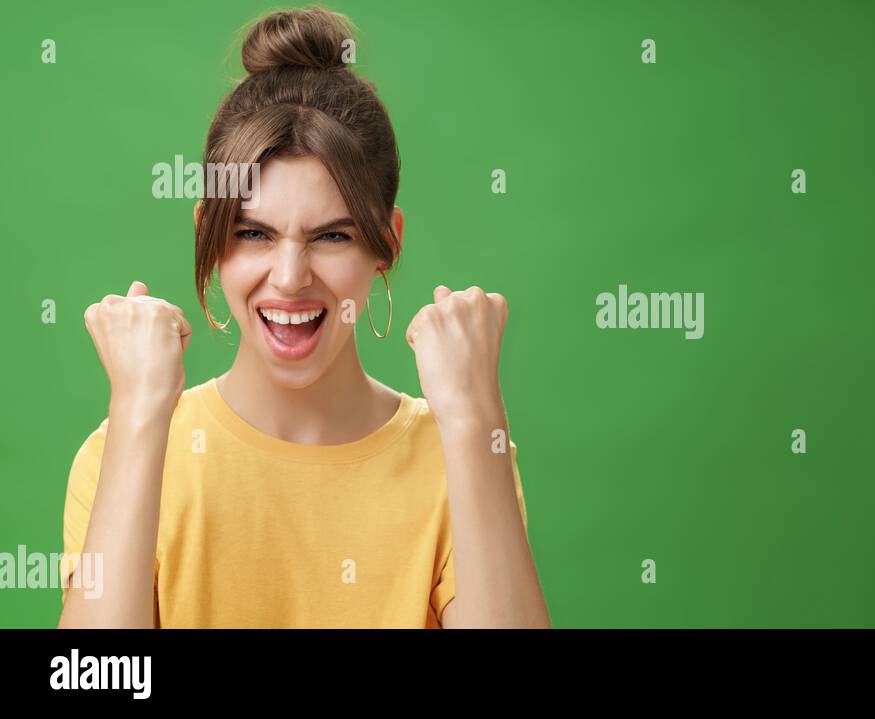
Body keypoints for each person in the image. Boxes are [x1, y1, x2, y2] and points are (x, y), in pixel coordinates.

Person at [57, 7, 549, 629]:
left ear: (386, 245)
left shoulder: (463, 454)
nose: (290, 278)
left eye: (333, 236)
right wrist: (136, 416)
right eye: (254, 232)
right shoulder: (121, 451)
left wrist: (477, 415)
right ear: (208, 235)